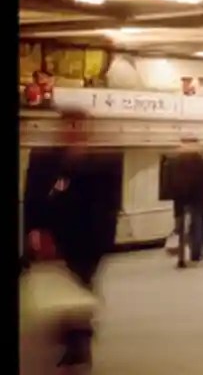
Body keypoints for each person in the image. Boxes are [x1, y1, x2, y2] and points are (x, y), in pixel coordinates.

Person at [23, 109, 121, 371]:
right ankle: (75, 339)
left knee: (82, 285)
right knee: (60, 290)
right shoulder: (44, 158)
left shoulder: (106, 159)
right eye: (70, 124)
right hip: (55, 237)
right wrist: (32, 230)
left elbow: (111, 203)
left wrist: (106, 238)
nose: (74, 130)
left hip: (90, 239)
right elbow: (32, 197)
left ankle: (79, 341)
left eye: (80, 125)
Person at [167, 136, 203, 268]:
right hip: (199, 198)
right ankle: (195, 254)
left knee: (181, 228)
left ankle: (181, 257)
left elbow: (169, 182)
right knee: (197, 226)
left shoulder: (173, 162)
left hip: (181, 199)